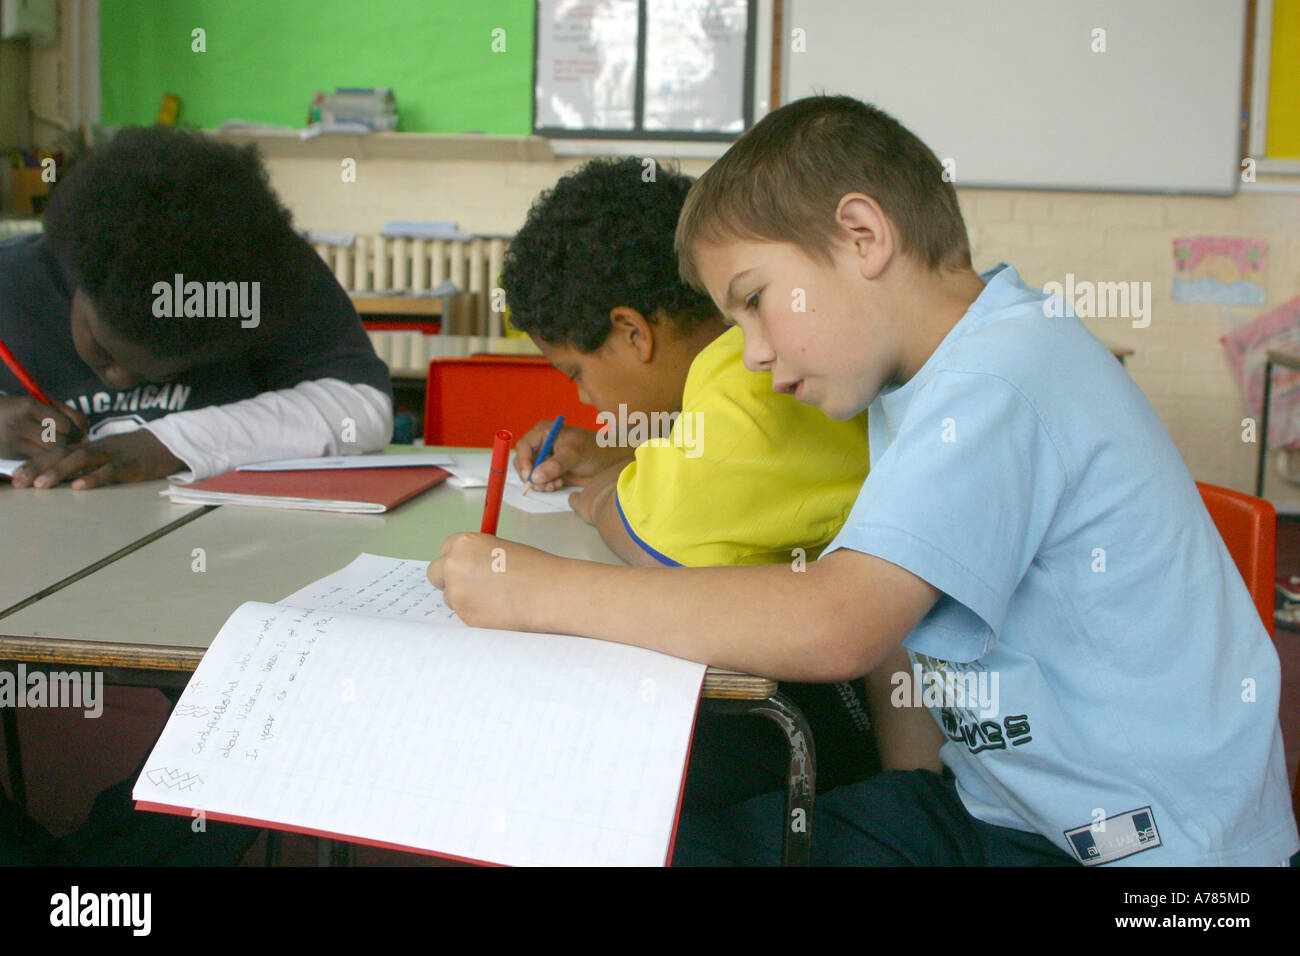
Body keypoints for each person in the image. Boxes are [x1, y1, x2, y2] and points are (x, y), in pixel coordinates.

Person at [431, 96, 1300, 866]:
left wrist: (536, 590)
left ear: (861, 236)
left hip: (1158, 857)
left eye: (756, 300)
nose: (755, 354)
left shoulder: (1001, 377)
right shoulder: (924, 379)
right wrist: (903, 795)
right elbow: (900, 631)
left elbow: (839, 619)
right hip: (999, 813)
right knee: (649, 830)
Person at [501, 157, 923, 807]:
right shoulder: (759, 350)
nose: (585, 401)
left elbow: (660, 540)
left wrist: (600, 496)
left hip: (884, 726)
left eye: (575, 374)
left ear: (632, 332)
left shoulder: (748, 375)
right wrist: (620, 454)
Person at [0, 125, 392, 489]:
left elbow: (361, 408)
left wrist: (167, 444)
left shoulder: (264, 277)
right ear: (77, 275)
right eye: (102, 350)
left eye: (162, 366)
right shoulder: (15, 277)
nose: (117, 378)